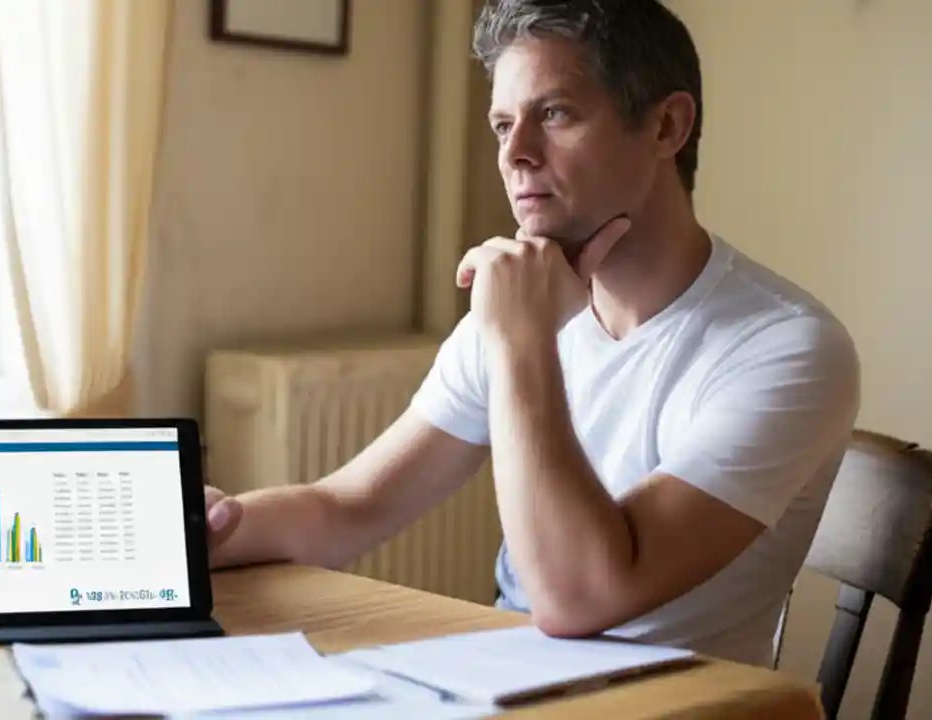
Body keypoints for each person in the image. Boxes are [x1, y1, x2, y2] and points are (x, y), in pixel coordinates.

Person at [201, 0, 860, 666]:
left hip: (677, 706)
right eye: (502, 124)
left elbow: (578, 598)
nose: (515, 155)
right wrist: (209, 534)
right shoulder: (521, 305)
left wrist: (520, 342)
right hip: (502, 683)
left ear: (667, 126)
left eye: (556, 114)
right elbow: (348, 509)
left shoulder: (787, 348)